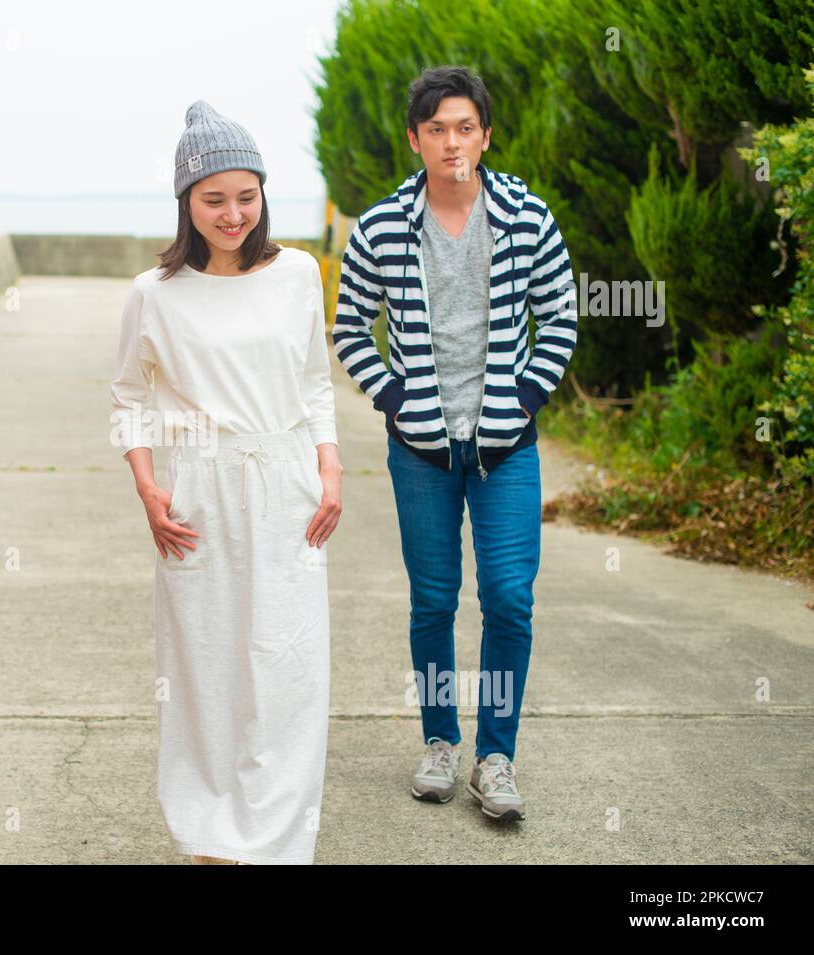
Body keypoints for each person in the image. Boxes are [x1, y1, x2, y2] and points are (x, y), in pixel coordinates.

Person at [332, 67, 578, 822]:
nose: (451, 141)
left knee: (508, 598)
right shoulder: (379, 228)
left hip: (506, 450)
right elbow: (349, 329)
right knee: (433, 600)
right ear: (416, 139)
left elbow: (561, 317)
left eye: (464, 126)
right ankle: (441, 741)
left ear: (485, 136)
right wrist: (400, 401)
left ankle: (494, 755)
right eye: (436, 128)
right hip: (420, 454)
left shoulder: (528, 217)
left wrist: (522, 399)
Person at [110, 100, 341, 864]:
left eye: (247, 195)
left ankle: (275, 840)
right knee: (206, 668)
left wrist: (329, 468)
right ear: (186, 202)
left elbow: (316, 382)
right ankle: (208, 831)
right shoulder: (155, 292)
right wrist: (149, 490)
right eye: (213, 198)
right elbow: (128, 400)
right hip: (199, 489)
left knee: (288, 667)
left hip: (287, 482)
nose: (233, 212)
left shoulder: (300, 272)